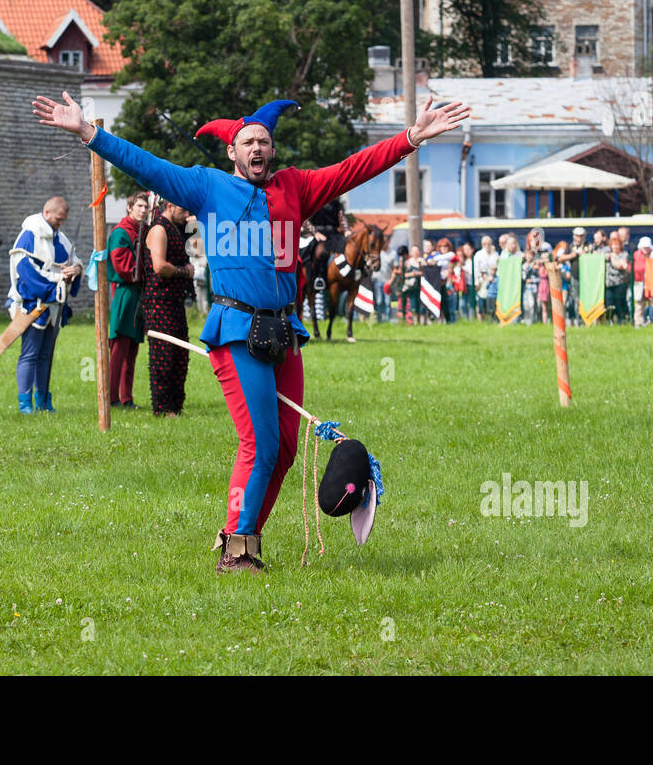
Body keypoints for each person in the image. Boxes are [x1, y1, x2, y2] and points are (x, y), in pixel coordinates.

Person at [34, 89, 470, 573]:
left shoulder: (297, 187)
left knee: (283, 447)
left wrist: (410, 138)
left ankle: (242, 535)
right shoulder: (206, 187)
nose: (257, 148)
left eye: (263, 141)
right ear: (232, 152)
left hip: (285, 332)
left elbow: (355, 167)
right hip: (237, 329)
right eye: (247, 143)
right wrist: (86, 132)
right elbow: (147, 165)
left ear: (273, 150)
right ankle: (237, 551)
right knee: (258, 443)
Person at [10, 196, 81, 414]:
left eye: (62, 220)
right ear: (47, 212)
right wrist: (58, 282)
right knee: (30, 354)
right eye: (58, 219)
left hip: (54, 305)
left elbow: (74, 260)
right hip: (32, 303)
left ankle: (42, 400)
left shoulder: (59, 236)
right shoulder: (29, 235)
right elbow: (26, 272)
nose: (60, 224)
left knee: (46, 354)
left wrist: (74, 270)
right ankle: (25, 403)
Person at [143, 199, 194, 416]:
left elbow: (196, 223)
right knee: (163, 357)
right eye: (182, 209)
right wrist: (186, 271)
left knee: (180, 355)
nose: (186, 214)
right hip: (159, 301)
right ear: (169, 207)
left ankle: (176, 406)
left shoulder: (176, 227)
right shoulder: (158, 230)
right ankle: (162, 409)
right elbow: (160, 267)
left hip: (174, 300)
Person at [106, 192, 150, 409]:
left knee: (132, 348)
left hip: (139, 294)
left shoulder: (143, 230)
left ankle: (127, 398)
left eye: (146, 207)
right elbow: (125, 269)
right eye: (139, 206)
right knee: (119, 348)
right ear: (129, 208)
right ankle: (112, 397)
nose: (143, 210)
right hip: (126, 293)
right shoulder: (121, 233)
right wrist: (148, 271)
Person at [604, 233, 630, 323]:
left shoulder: (624, 254)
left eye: (617, 244)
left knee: (619, 302)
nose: (615, 246)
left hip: (620, 282)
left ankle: (621, 319)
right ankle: (609, 320)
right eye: (613, 245)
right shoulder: (606, 255)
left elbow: (620, 266)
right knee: (609, 303)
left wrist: (612, 257)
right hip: (608, 283)